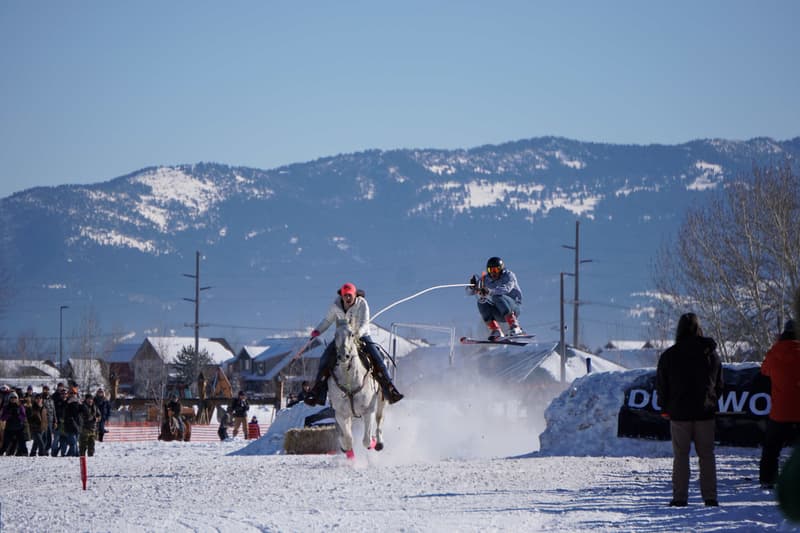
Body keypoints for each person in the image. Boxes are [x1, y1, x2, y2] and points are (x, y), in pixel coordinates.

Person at [656, 312, 723, 507]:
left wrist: (665, 406)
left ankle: (680, 497)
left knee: (681, 456)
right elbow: (719, 384)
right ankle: (710, 497)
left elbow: (662, 385)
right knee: (707, 456)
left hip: (679, 414)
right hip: (705, 412)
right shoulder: (711, 354)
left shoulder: (670, 355)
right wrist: (712, 400)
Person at [304, 282, 403, 406]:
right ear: (342, 295)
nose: (348, 298)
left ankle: (390, 389)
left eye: (350, 295)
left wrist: (356, 334)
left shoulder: (362, 304)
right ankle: (318, 393)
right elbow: (327, 320)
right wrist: (317, 331)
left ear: (355, 295)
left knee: (377, 358)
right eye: (345, 296)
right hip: (342, 337)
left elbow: (364, 323)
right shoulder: (336, 305)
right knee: (325, 359)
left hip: (361, 336)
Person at [759, 319, 800, 489]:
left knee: (771, 449)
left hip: (780, 412)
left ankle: (768, 479)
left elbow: (764, 370)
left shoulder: (775, 351)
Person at [468, 257, 524, 340]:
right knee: (481, 301)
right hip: (500, 312)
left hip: (513, 307)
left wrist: (489, 291)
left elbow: (506, 288)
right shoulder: (486, 279)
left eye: (496, 270)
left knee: (496, 296)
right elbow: (470, 293)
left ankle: (515, 326)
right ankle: (496, 330)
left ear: (501, 269)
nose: (493, 273)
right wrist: (472, 287)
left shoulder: (508, 275)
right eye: (491, 270)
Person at [0, 391, 29, 456]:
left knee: (22, 442)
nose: (13, 399)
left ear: (17, 398)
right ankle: (1, 452)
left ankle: (25, 453)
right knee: (6, 442)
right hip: (9, 428)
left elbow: (24, 416)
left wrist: (18, 415)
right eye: (12, 398)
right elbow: (2, 418)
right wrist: (9, 415)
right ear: (9, 399)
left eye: (15, 398)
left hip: (19, 428)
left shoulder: (20, 406)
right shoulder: (6, 407)